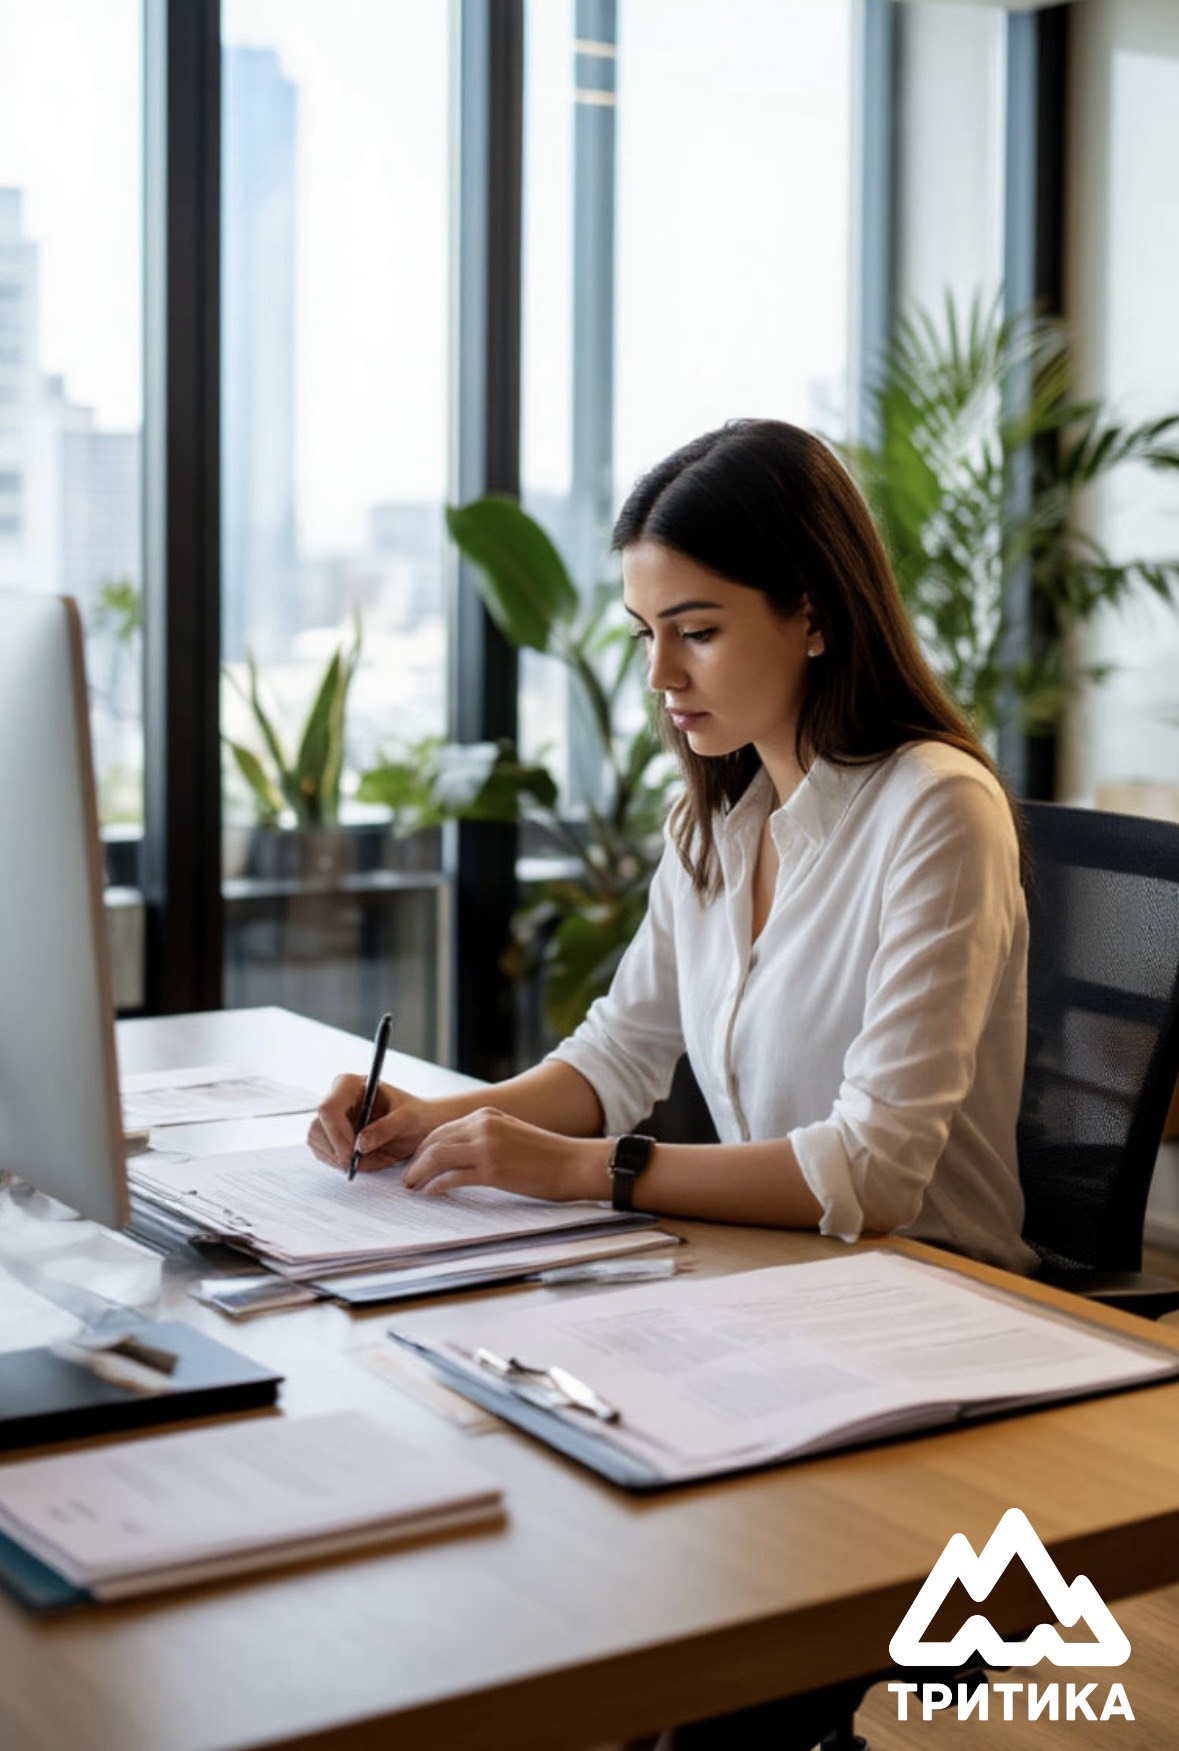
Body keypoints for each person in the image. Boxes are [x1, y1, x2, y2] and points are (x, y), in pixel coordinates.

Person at [309, 418, 1037, 1278]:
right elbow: (617, 1054)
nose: (659, 674)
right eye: (642, 632)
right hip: (769, 1279)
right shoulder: (713, 820)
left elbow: (874, 1172)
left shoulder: (936, 808)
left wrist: (581, 1168)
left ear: (812, 613)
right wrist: (429, 1120)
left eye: (694, 632)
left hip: (937, 1297)